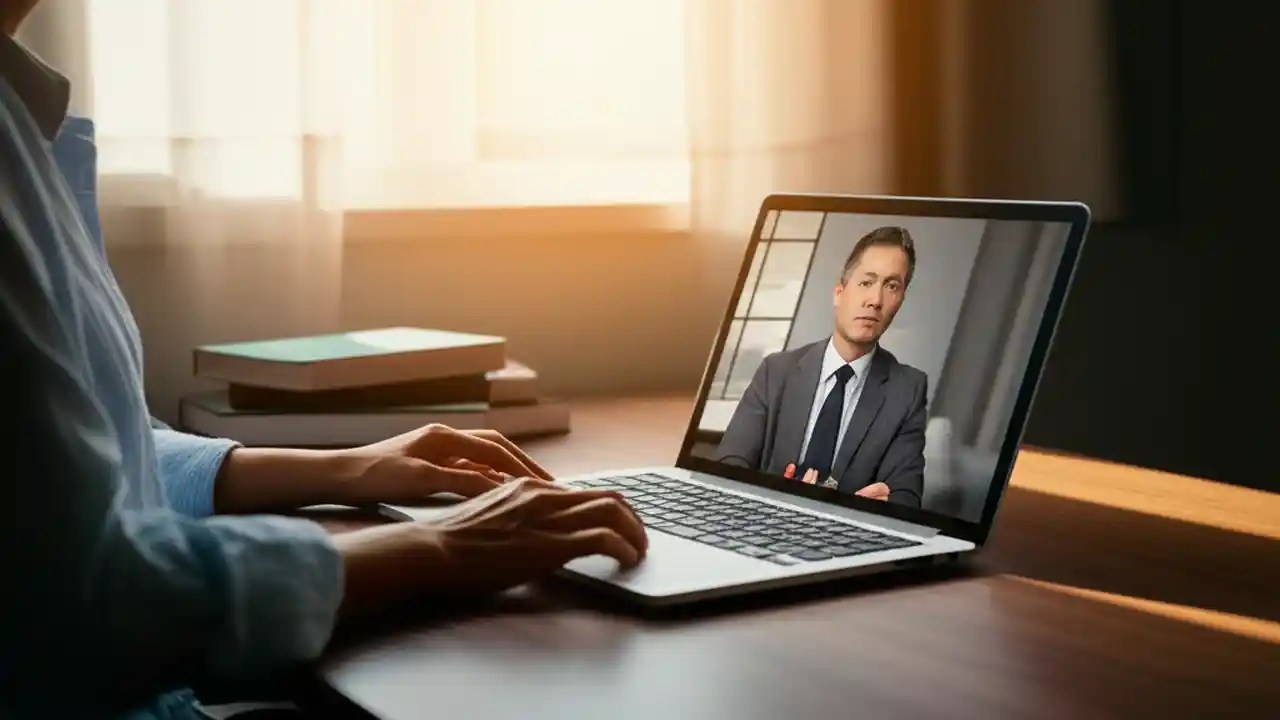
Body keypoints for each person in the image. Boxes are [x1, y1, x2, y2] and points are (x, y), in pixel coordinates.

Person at [0, 5, 646, 718]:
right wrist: (435, 548)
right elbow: (79, 612)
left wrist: (347, 465)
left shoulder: (21, 113)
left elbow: (90, 459)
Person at [715, 226, 927, 508]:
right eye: (866, 282)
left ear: (899, 301)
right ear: (839, 293)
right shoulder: (776, 371)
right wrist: (778, 495)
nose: (875, 300)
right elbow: (730, 465)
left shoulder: (908, 389)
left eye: (892, 286)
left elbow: (906, 495)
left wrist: (879, 505)